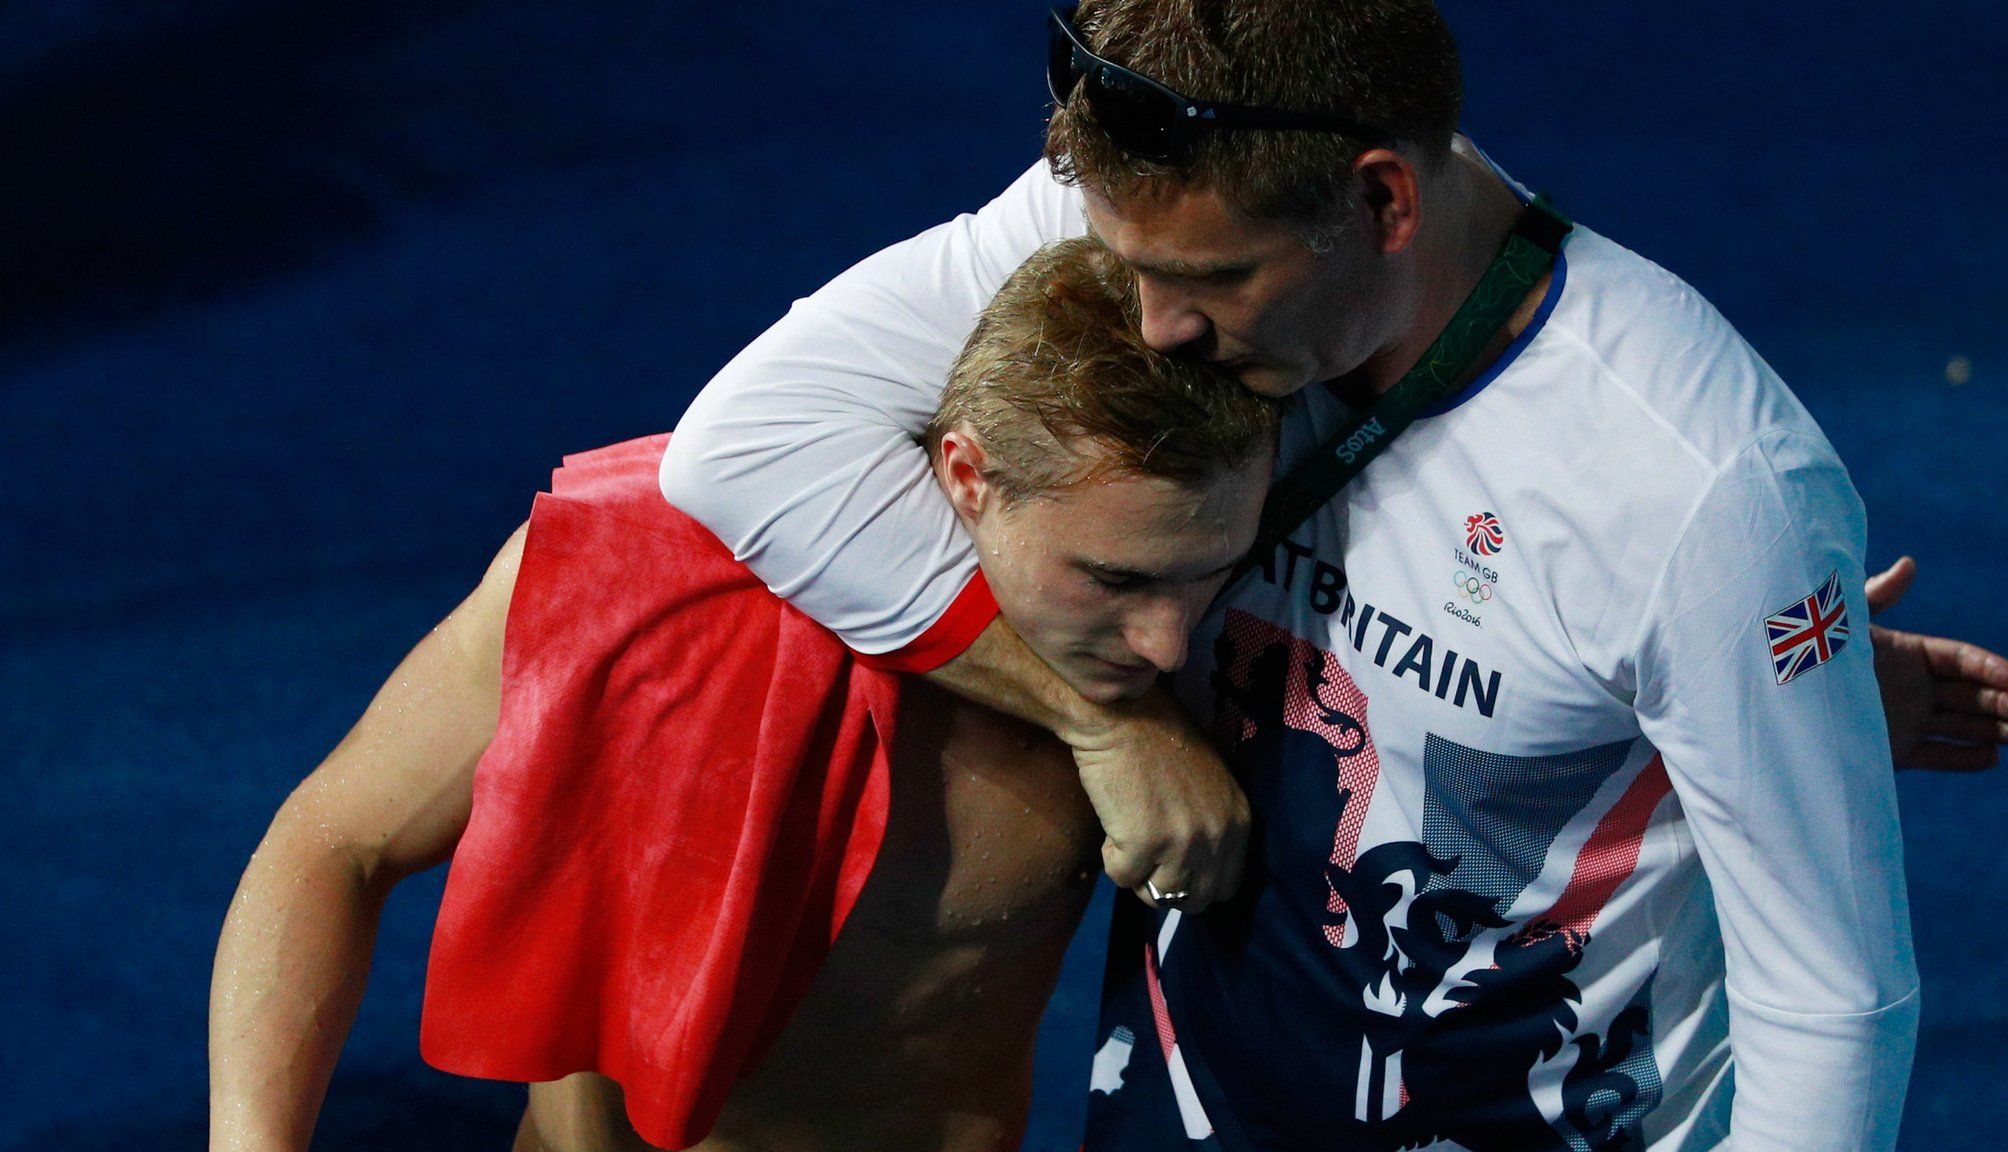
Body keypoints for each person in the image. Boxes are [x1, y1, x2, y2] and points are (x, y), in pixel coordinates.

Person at [657, 2, 2008, 1147]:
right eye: (1128, 266)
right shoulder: (1167, 233)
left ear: (1380, 200)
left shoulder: (1699, 491)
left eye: (1210, 281)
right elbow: (745, 448)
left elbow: (1830, 1006)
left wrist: (1738, 704)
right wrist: (1105, 720)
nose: (1154, 327)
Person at [206, 239, 1278, 1152]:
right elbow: (332, 843)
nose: (1164, 636)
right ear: (966, 475)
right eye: (1114, 580)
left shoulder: (1193, 671)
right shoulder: (619, 573)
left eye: (1203, 571)